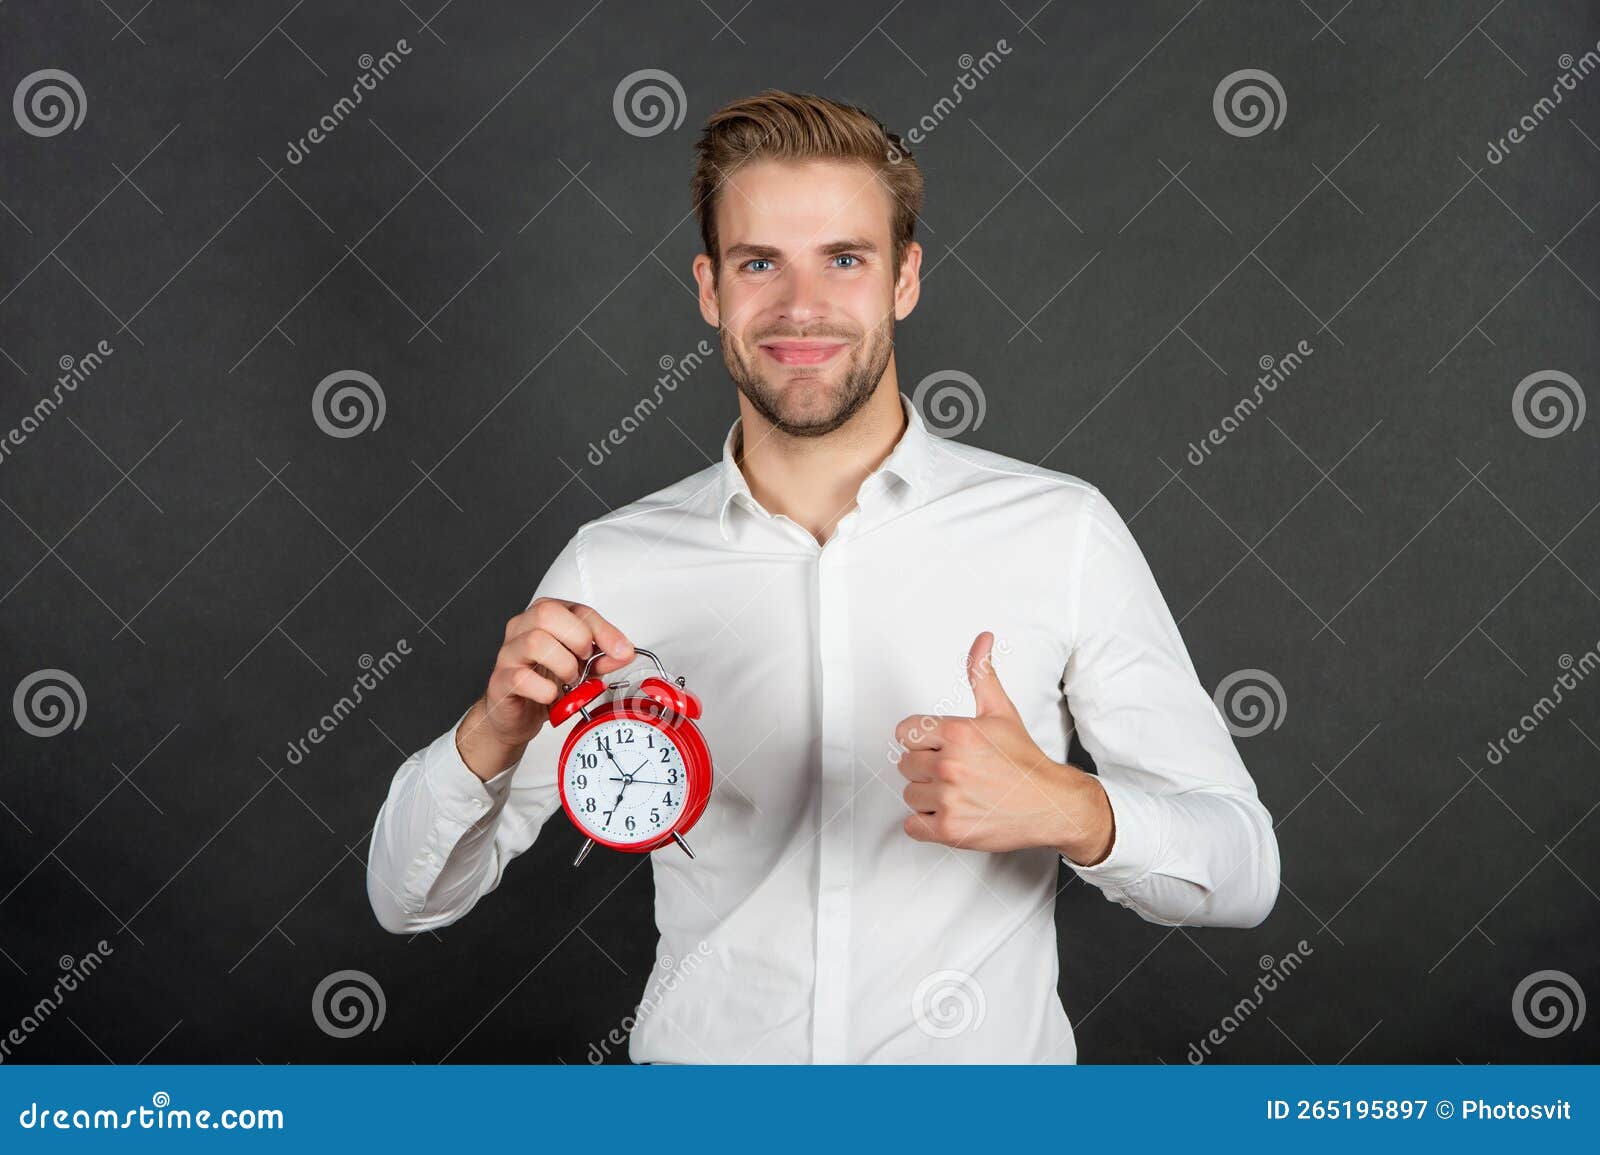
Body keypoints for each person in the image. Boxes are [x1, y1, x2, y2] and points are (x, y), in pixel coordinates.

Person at [366, 89, 1280, 1064]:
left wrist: (1071, 809)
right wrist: (493, 733)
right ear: (710, 288)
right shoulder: (613, 564)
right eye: (760, 263)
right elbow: (410, 901)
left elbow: (1242, 872)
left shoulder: (1058, 532)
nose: (801, 308)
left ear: (903, 280)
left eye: (843, 259)